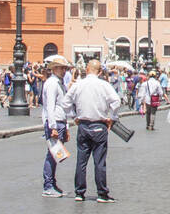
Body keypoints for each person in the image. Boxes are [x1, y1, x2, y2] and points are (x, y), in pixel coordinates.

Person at [64, 59, 121, 202]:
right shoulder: (104, 85)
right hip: (99, 125)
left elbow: (65, 103)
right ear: (100, 71)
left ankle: (79, 192)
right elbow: (116, 100)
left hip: (83, 125)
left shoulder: (78, 84)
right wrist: (112, 117)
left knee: (81, 161)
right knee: (99, 161)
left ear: (87, 69)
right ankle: (102, 193)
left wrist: (74, 116)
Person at [40, 55, 73, 197]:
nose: (64, 70)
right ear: (54, 68)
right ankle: (48, 186)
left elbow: (63, 106)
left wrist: (66, 127)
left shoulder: (60, 83)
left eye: (65, 68)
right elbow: (50, 106)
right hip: (54, 122)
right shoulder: (52, 83)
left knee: (56, 155)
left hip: (60, 121)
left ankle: (52, 183)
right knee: (52, 154)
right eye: (62, 68)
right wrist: (52, 126)